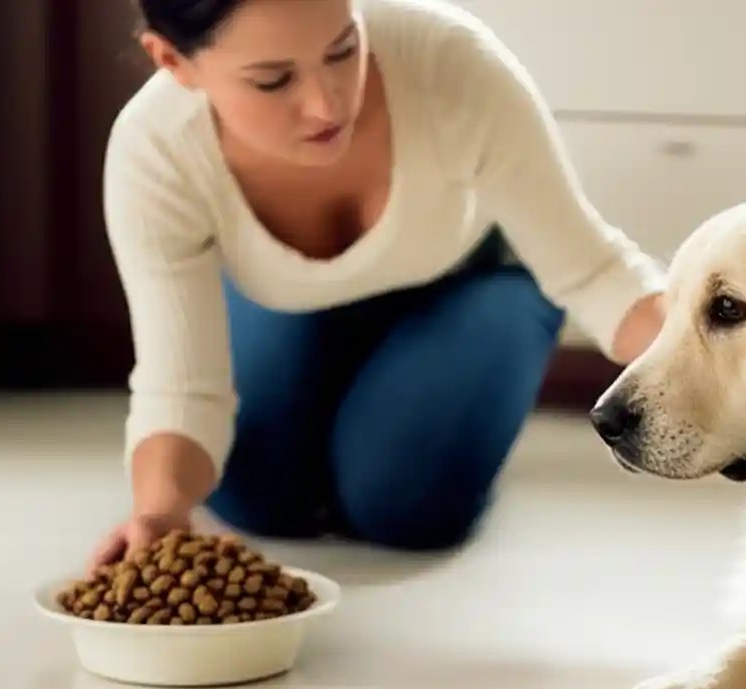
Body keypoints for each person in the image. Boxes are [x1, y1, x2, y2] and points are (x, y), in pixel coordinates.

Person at [89, 0, 666, 568]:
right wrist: (159, 514)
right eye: (273, 80)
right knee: (256, 496)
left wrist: (727, 375)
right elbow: (183, 389)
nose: (326, 105)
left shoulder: (450, 62)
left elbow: (594, 272)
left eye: (343, 49)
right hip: (291, 300)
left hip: (472, 281)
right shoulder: (156, 149)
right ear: (173, 61)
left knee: (403, 506)